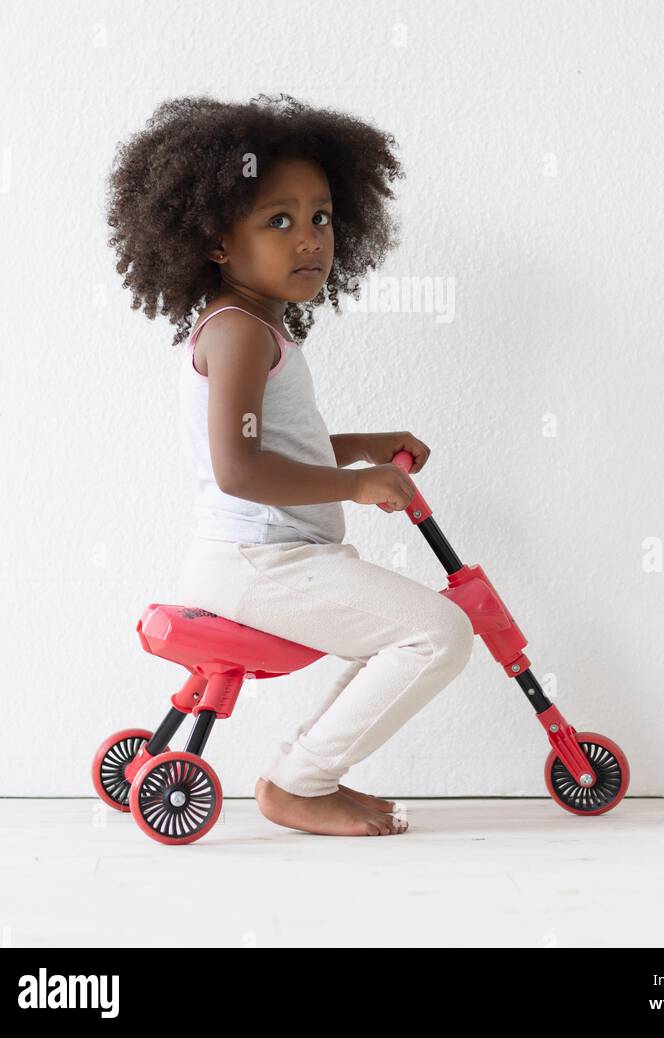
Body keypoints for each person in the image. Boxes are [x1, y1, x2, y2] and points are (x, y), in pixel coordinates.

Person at [105, 92, 474, 837]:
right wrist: (355, 484)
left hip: (269, 555)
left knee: (400, 631)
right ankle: (300, 783)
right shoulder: (239, 333)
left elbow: (272, 450)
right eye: (279, 220)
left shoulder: (254, 326)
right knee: (439, 632)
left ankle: (310, 770)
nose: (309, 238)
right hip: (259, 561)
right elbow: (240, 471)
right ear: (214, 239)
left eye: (322, 217)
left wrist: (360, 447)